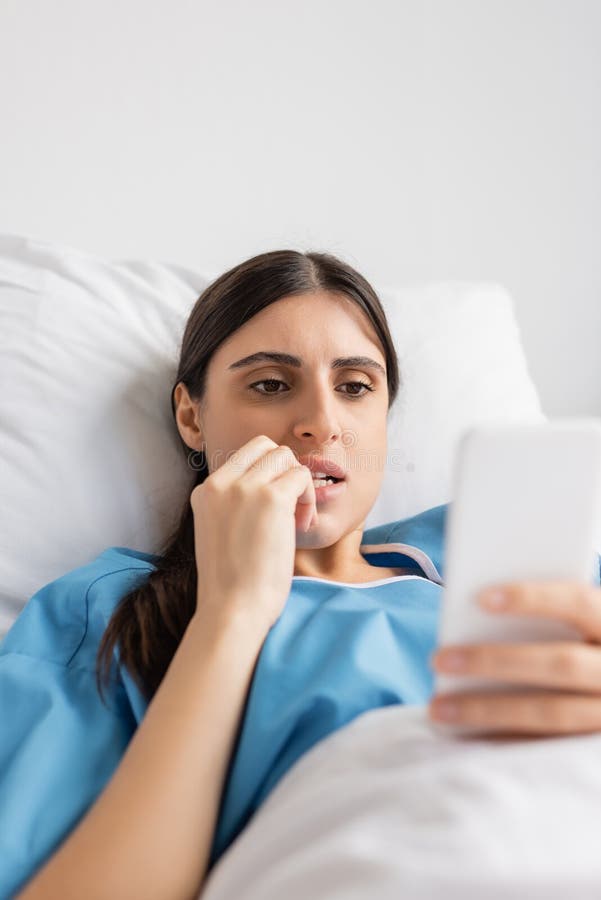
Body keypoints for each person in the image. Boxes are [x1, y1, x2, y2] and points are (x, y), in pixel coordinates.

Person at [2, 250, 601, 900]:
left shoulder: (493, 548)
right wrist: (232, 611)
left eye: (355, 387)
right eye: (269, 384)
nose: (321, 422)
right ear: (192, 417)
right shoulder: (107, 609)